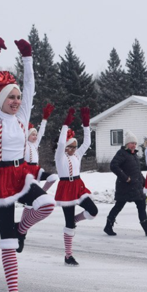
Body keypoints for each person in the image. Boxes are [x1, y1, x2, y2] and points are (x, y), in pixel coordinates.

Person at [0, 36, 55, 292]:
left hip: (21, 174)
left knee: (46, 204)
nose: (16, 101)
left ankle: (21, 228)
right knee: (7, 243)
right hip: (0, 178)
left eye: (17, 97)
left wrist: (28, 58)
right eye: (10, 97)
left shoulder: (22, 118)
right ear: (1, 99)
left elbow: (30, 88)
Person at [54, 107, 98, 266]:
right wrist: (65, 125)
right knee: (69, 226)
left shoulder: (77, 155)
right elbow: (60, 143)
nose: (73, 149)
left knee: (93, 211)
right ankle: (68, 255)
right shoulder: (60, 157)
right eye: (70, 146)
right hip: (66, 188)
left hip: (78, 186)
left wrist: (86, 125)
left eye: (74, 146)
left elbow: (87, 143)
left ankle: (74, 220)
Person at [104, 131, 147, 237]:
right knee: (118, 206)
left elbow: (137, 171)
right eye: (132, 143)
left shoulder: (134, 155)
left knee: (141, 206)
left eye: (135, 143)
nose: (134, 145)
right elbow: (113, 166)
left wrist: (144, 182)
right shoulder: (122, 153)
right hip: (125, 186)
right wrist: (126, 178)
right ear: (126, 144)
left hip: (136, 186)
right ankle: (108, 226)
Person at [24, 103, 59, 192]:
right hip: (25, 170)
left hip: (36, 170)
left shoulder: (35, 144)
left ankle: (43, 192)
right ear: (27, 135)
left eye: (36, 135)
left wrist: (44, 119)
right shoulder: (24, 144)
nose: (35, 136)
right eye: (33, 134)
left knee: (53, 177)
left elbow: (41, 132)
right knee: (29, 191)